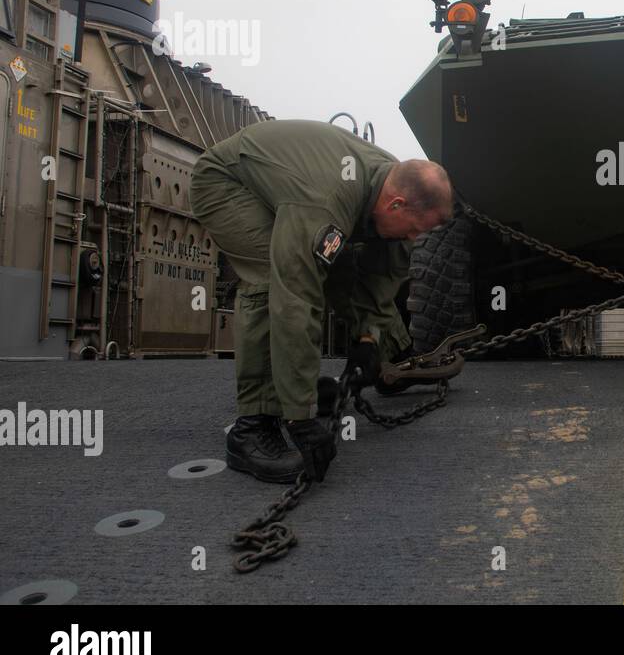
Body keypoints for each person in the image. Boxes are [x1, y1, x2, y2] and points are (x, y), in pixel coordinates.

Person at [191, 120, 453, 482]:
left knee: (341, 266)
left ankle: (381, 360)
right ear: (396, 204)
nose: (412, 239)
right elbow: (295, 299)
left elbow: (380, 280)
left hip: (290, 192)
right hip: (228, 184)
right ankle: (253, 428)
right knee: (272, 280)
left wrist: (371, 343)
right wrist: (301, 419)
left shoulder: (392, 182)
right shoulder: (326, 201)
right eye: (412, 230)